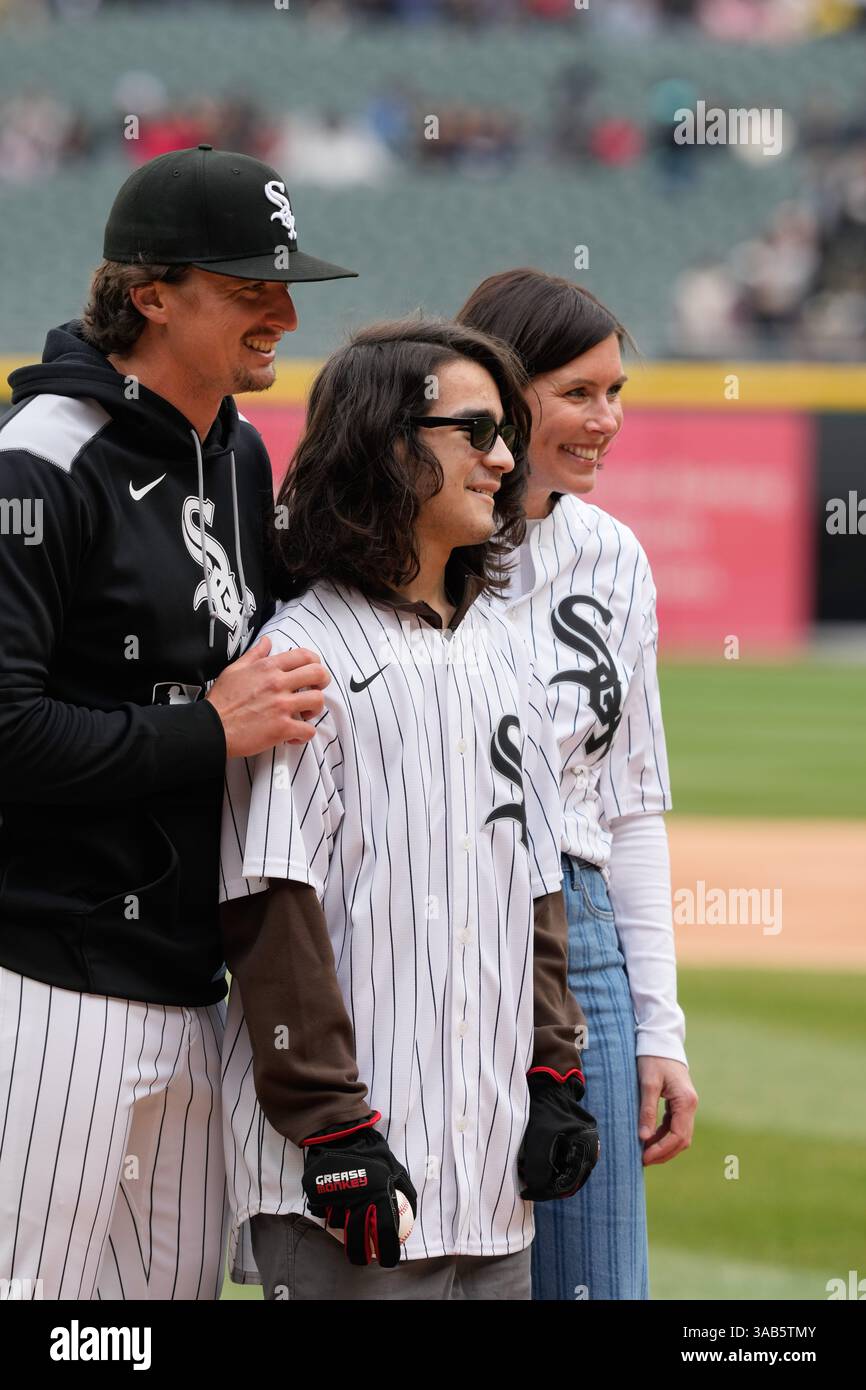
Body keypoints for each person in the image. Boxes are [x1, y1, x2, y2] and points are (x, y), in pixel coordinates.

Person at [0, 143, 356, 1300]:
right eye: (251, 286)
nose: (283, 312)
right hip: (48, 976)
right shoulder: (41, 461)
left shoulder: (239, 452)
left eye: (285, 283)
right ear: (151, 292)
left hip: (192, 981)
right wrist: (206, 729)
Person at [218, 318, 599, 1301]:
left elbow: (538, 882)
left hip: (489, 1171)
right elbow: (270, 906)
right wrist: (332, 1126)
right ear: (389, 445)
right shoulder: (299, 659)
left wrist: (553, 1072)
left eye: (507, 430)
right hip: (348, 1183)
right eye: (474, 430)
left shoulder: (501, 650)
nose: (505, 458)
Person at [457, 269, 699, 1301]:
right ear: (503, 396)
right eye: (578, 393)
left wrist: (660, 1029)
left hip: (581, 927)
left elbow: (629, 803)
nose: (605, 420)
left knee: (593, 1281)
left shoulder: (613, 555)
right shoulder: (388, 549)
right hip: (430, 921)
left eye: (616, 394)